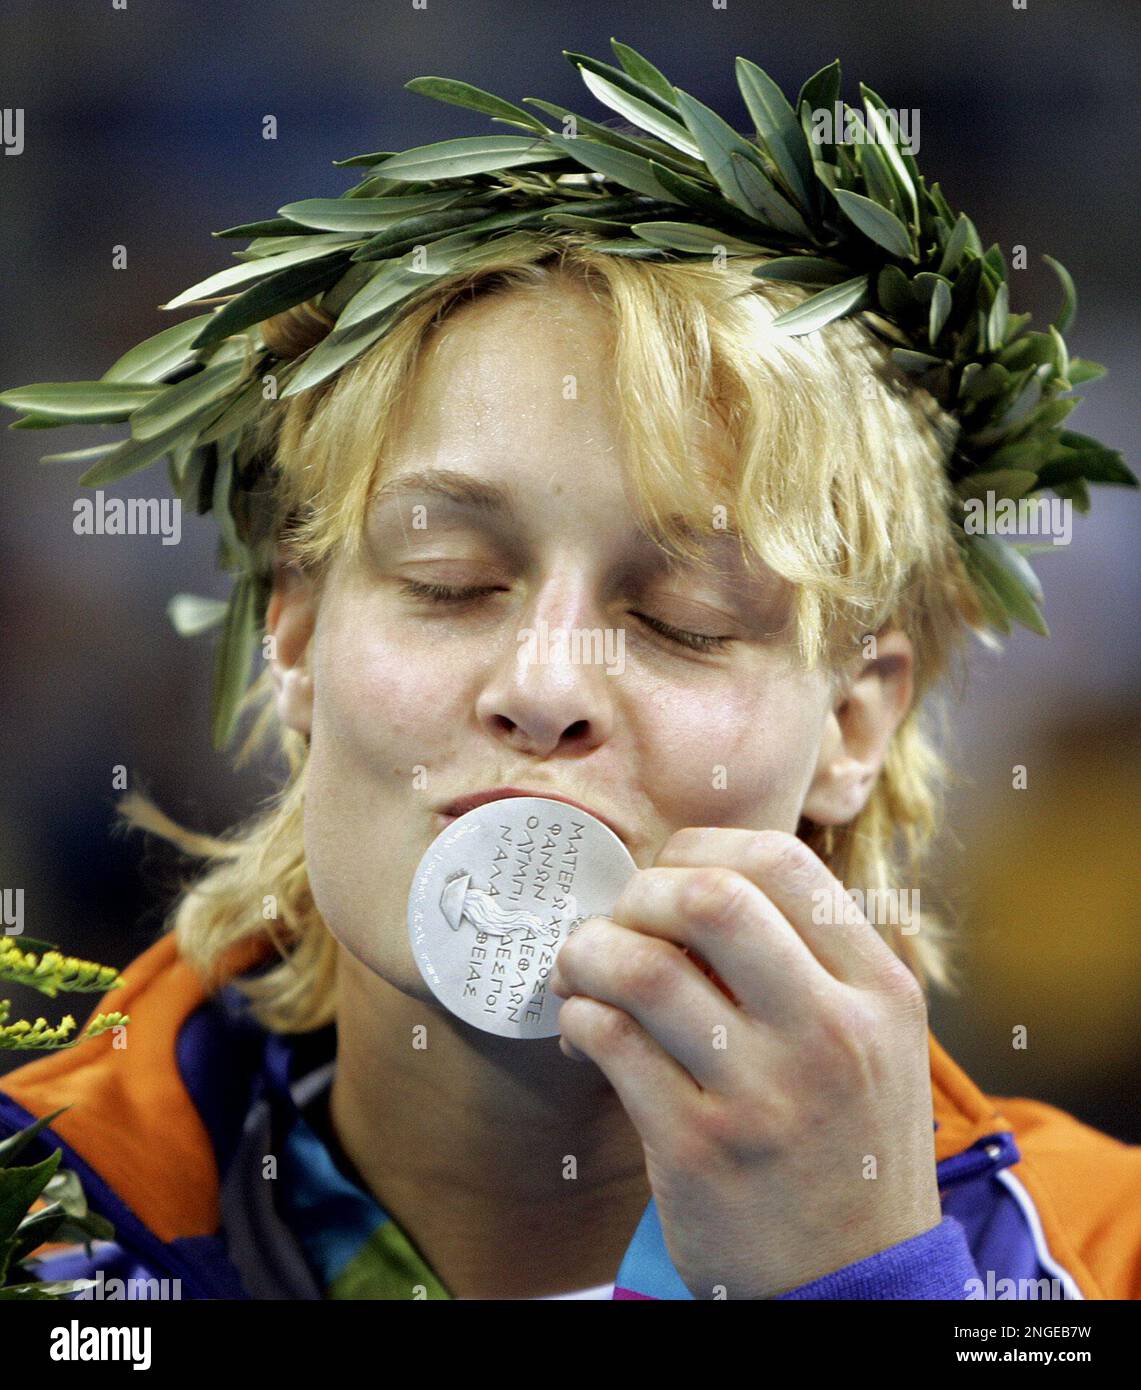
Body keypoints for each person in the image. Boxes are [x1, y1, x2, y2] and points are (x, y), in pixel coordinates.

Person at [2, 46, 1137, 1301]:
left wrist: (865, 1285)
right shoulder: (27, 1218)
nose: (545, 684)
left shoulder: (1104, 1251)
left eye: (682, 617)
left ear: (852, 718)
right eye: (446, 580)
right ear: (295, 637)